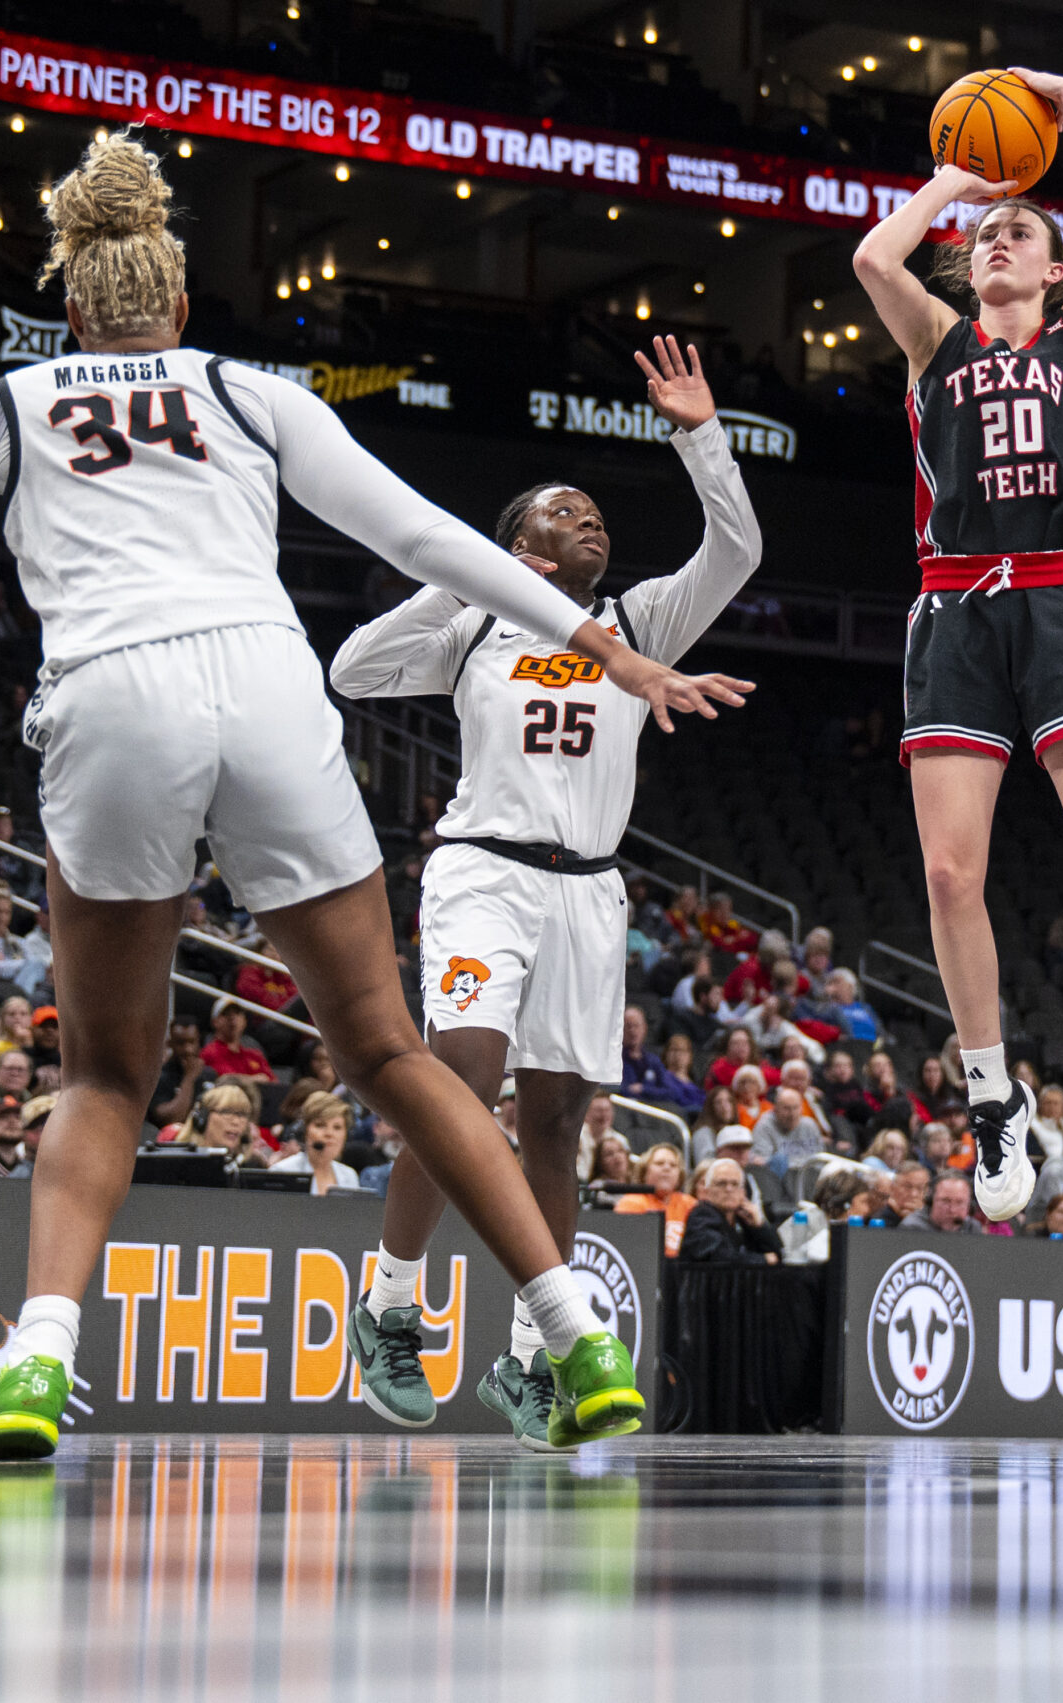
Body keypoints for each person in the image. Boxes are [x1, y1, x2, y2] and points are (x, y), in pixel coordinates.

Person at [0, 132, 732, 1461]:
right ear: (180, 306)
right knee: (391, 1051)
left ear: (70, 310)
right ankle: (577, 1333)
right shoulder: (247, 389)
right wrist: (603, 642)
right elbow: (425, 536)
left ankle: (35, 1360)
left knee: (110, 1069)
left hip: (112, 700)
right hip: (267, 685)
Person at [325, 331, 762, 1441]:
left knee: (556, 1124)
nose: (591, 524)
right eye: (565, 512)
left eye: (597, 518)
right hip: (484, 870)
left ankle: (529, 1365)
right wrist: (460, 573)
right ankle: (387, 1307)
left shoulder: (639, 625)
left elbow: (738, 550)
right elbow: (352, 670)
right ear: (520, 539)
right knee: (460, 1074)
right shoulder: (472, 617)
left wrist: (700, 435)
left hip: (589, 890)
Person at [852, 71, 1063, 1223]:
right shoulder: (934, 343)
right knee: (946, 873)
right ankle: (990, 1098)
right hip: (955, 610)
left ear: (1053, 267)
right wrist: (951, 183)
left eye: (1016, 230)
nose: (994, 240)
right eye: (981, 236)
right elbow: (877, 261)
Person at [680, 1157, 782, 1264]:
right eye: (721, 1183)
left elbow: (779, 1255)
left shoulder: (744, 1219)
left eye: (735, 1184)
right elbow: (719, 1257)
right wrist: (764, 1260)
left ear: (743, 1192)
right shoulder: (700, 1216)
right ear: (708, 1191)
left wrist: (759, 1226)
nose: (729, 1189)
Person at [613, 1143, 698, 1256]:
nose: (667, 1168)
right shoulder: (631, 1202)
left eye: (673, 1165)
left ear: (679, 1177)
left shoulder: (690, 1204)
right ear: (644, 1172)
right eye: (659, 1163)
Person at [270, 1092, 360, 1195]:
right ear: (304, 1132)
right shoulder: (283, 1171)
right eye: (320, 1125)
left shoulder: (349, 1176)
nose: (329, 1134)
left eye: (337, 1127)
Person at [902, 1169, 986, 1235]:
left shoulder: (973, 1228)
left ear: (970, 1205)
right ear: (931, 1200)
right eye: (945, 1201)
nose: (952, 1210)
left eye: (960, 1202)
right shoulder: (913, 1228)